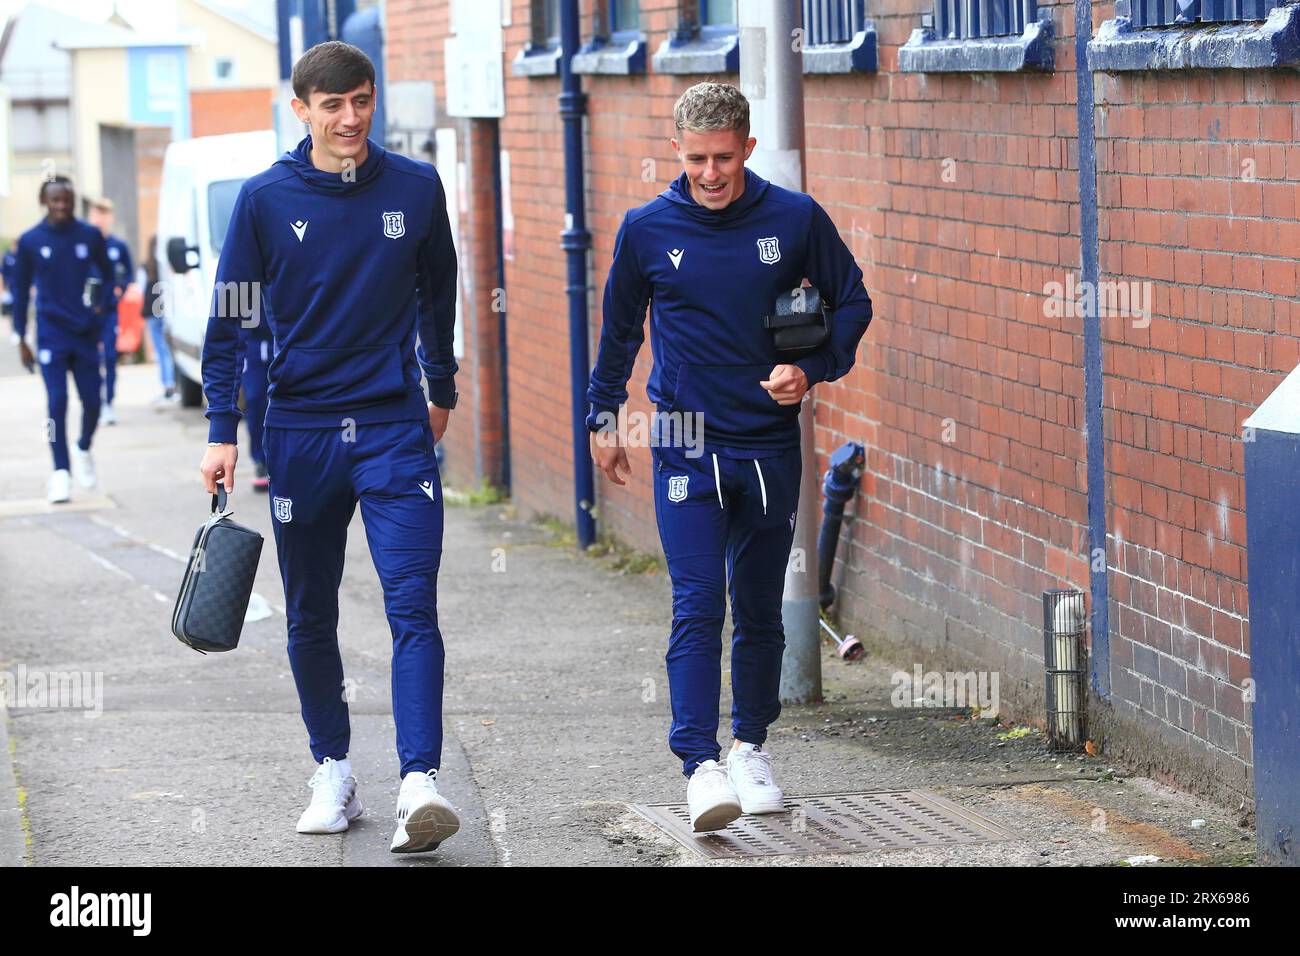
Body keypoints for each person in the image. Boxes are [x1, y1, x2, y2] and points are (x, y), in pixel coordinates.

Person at [586, 82, 874, 832]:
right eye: (696, 159)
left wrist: (813, 370)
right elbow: (618, 332)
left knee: (758, 607)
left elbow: (853, 301)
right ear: (678, 152)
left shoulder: (795, 217)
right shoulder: (647, 229)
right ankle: (698, 764)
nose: (710, 173)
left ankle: (749, 746)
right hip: (683, 443)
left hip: (766, 445)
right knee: (696, 602)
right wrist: (603, 416)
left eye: (723, 157)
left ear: (747, 147)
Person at [198, 40, 461, 854]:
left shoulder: (415, 187)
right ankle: (335, 769)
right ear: (302, 108)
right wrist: (220, 430)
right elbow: (232, 318)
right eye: (333, 105)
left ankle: (419, 780)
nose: (350, 119)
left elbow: (439, 289)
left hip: (392, 430)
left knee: (411, 603)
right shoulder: (264, 199)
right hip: (301, 434)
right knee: (310, 613)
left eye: (362, 101)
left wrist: (439, 384)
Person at [11, 175, 116, 503]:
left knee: (94, 403)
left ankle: (83, 446)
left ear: (73, 201)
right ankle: (60, 472)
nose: (61, 206)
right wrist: (21, 339)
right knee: (57, 403)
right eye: (55, 200)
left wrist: (100, 311)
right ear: (45, 201)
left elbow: (110, 274)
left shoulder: (89, 235)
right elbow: (19, 294)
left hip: (84, 332)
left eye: (66, 200)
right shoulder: (30, 240)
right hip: (51, 335)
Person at [86, 197, 133, 425]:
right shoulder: (82, 243)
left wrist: (119, 290)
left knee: (110, 357)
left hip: (109, 311)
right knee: (89, 359)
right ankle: (93, 401)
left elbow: (129, 274)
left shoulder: (117, 246)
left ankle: (108, 403)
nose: (100, 219)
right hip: (85, 313)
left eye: (104, 215)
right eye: (97, 214)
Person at [140, 235, 178, 405]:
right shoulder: (165, 266)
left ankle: (168, 385)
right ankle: (170, 385)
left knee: (160, 349)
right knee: (166, 349)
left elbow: (141, 289)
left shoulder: (145, 267)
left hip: (151, 311)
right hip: (163, 310)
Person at [239, 309, 273, 492]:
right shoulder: (244, 283)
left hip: (288, 337)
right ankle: (261, 461)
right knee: (256, 401)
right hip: (253, 344)